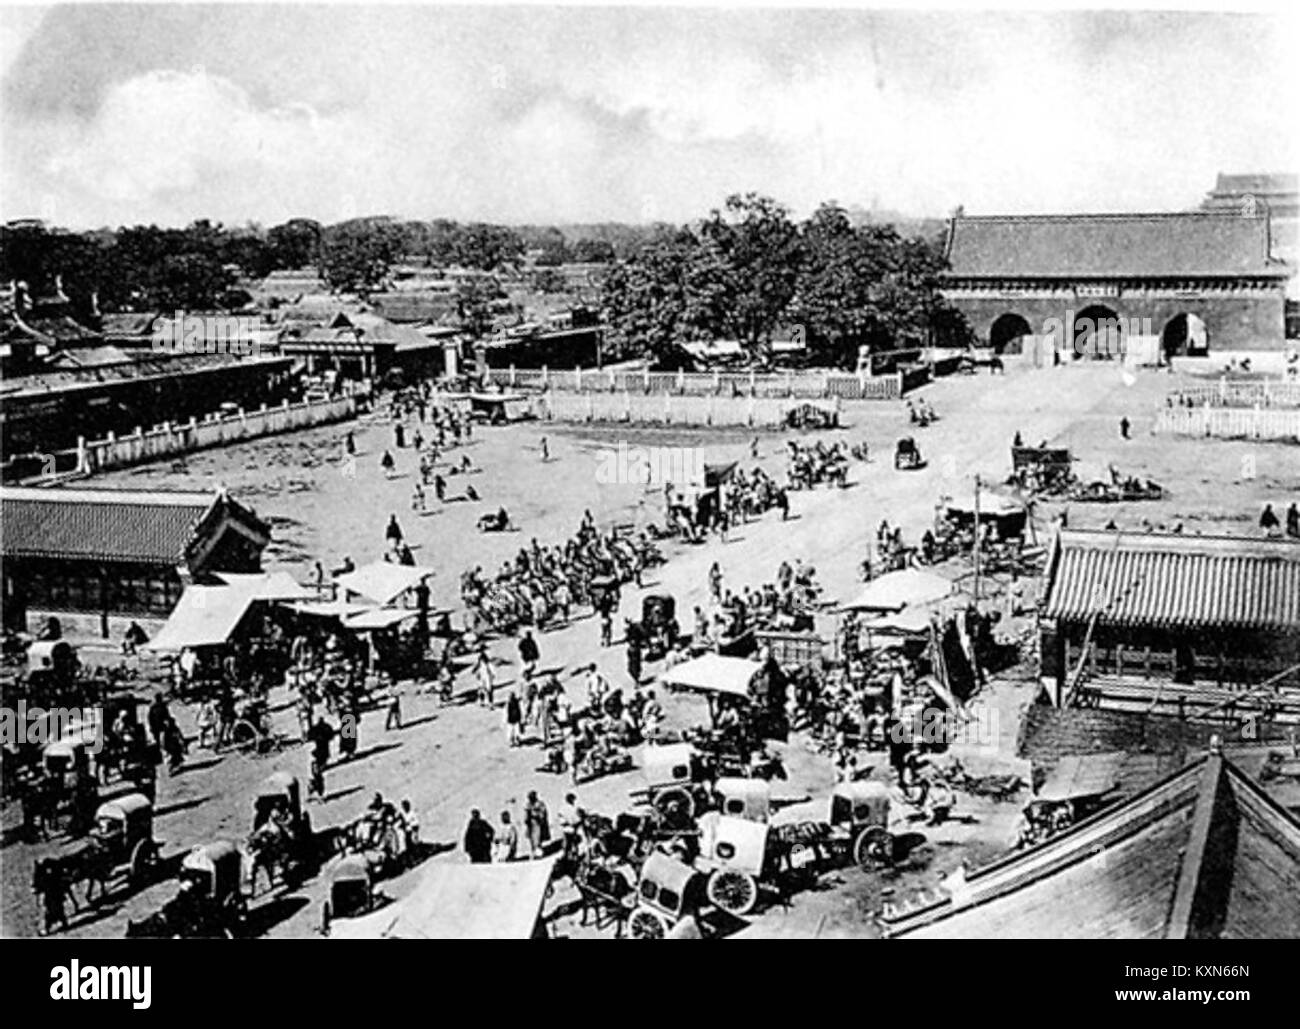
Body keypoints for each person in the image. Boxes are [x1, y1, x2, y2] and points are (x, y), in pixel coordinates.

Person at [524, 791, 550, 859]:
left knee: (537, 839)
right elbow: (526, 813)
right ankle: (534, 852)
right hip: (531, 824)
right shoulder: (528, 804)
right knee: (532, 839)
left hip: (538, 823)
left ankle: (538, 853)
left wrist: (537, 815)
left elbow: (543, 813)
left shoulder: (540, 804)